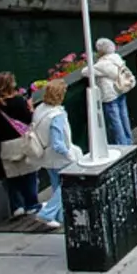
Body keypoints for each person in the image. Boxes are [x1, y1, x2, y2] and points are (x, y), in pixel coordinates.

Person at [0, 72, 40, 216]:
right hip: (22, 142)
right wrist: (30, 107)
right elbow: (28, 119)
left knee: (13, 176)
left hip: (6, 144)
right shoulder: (18, 101)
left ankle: (17, 206)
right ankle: (32, 204)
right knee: (29, 174)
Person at [32, 79, 80, 230]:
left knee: (56, 185)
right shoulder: (56, 115)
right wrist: (70, 156)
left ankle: (60, 215)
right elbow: (58, 143)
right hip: (59, 158)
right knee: (67, 185)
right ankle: (47, 213)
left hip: (46, 155)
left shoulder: (40, 109)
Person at [92, 39, 134, 146]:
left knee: (115, 121)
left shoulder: (102, 64)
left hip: (110, 95)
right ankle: (129, 140)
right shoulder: (116, 58)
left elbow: (86, 71)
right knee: (124, 116)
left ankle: (123, 144)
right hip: (121, 90)